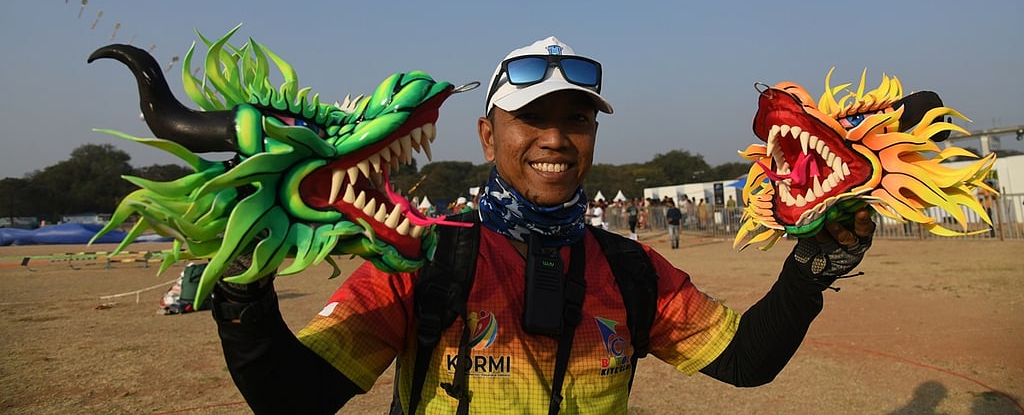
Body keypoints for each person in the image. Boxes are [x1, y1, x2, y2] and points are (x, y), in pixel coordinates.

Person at [210, 35, 875, 414]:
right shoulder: (425, 256)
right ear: (486, 132)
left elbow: (745, 362)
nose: (555, 139)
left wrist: (809, 271)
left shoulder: (631, 268)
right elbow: (292, 401)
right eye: (531, 118)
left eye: (576, 120)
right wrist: (242, 286)